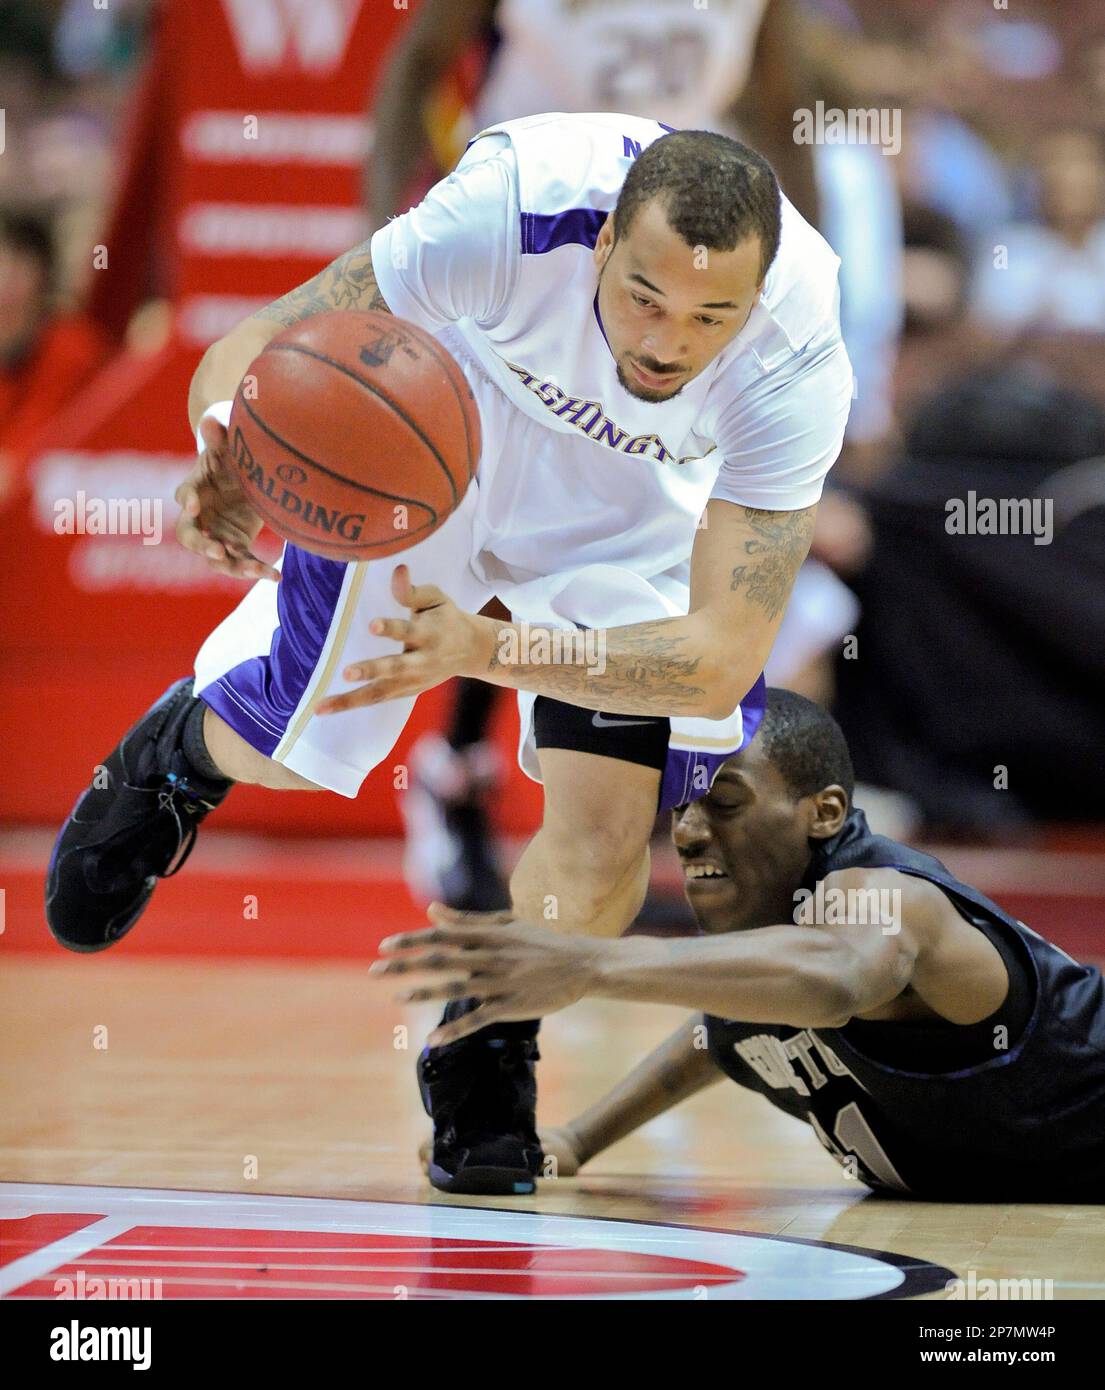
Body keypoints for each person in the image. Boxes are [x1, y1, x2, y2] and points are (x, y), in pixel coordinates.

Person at [46, 115, 853, 1196]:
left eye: (711, 316)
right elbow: (263, 341)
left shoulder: (798, 351)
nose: (667, 344)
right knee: (302, 744)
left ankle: (478, 1046)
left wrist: (488, 648)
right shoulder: (506, 213)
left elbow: (713, 658)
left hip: (628, 517)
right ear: (603, 242)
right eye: (644, 300)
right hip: (433, 443)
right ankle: (182, 751)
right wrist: (223, 444)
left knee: (609, 847)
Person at [368, 0, 826, 912]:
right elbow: (416, 67)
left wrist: (805, 295)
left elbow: (783, 108)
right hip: (540, 254)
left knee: (632, 545)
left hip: (676, 274)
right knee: (507, 522)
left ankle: (617, 822)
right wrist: (390, 239)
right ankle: (459, 766)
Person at [381, 689, 1105, 1203]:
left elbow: (836, 979)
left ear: (822, 813)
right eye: (682, 804)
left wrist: (591, 963)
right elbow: (723, 1031)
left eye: (724, 802)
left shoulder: (885, 900)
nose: (690, 832)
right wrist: (575, 1139)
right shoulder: (772, 940)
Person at [0, 210, 111, 509]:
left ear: (44, 279)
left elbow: (42, 459)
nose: (5, 285)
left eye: (19, 266)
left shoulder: (74, 350)